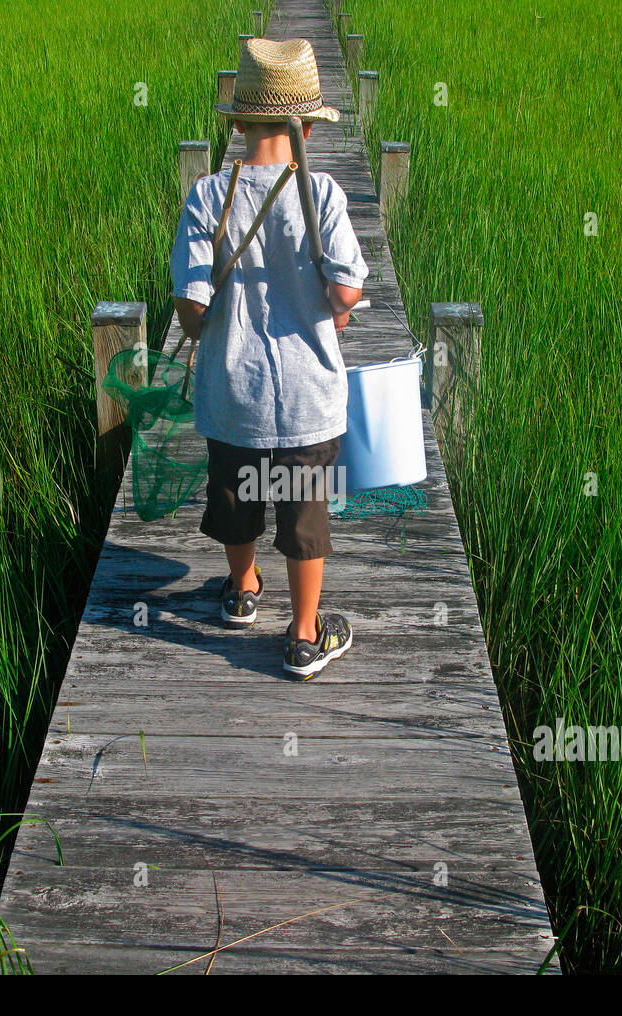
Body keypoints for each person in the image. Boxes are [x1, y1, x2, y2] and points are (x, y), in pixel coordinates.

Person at [169, 36, 367, 678]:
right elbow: (346, 290)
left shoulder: (207, 197)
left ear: (241, 122)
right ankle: (306, 635)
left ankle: (244, 590)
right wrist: (332, 306)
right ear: (306, 125)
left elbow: (193, 314)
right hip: (310, 393)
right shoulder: (324, 193)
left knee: (236, 498)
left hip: (233, 391)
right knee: (304, 510)